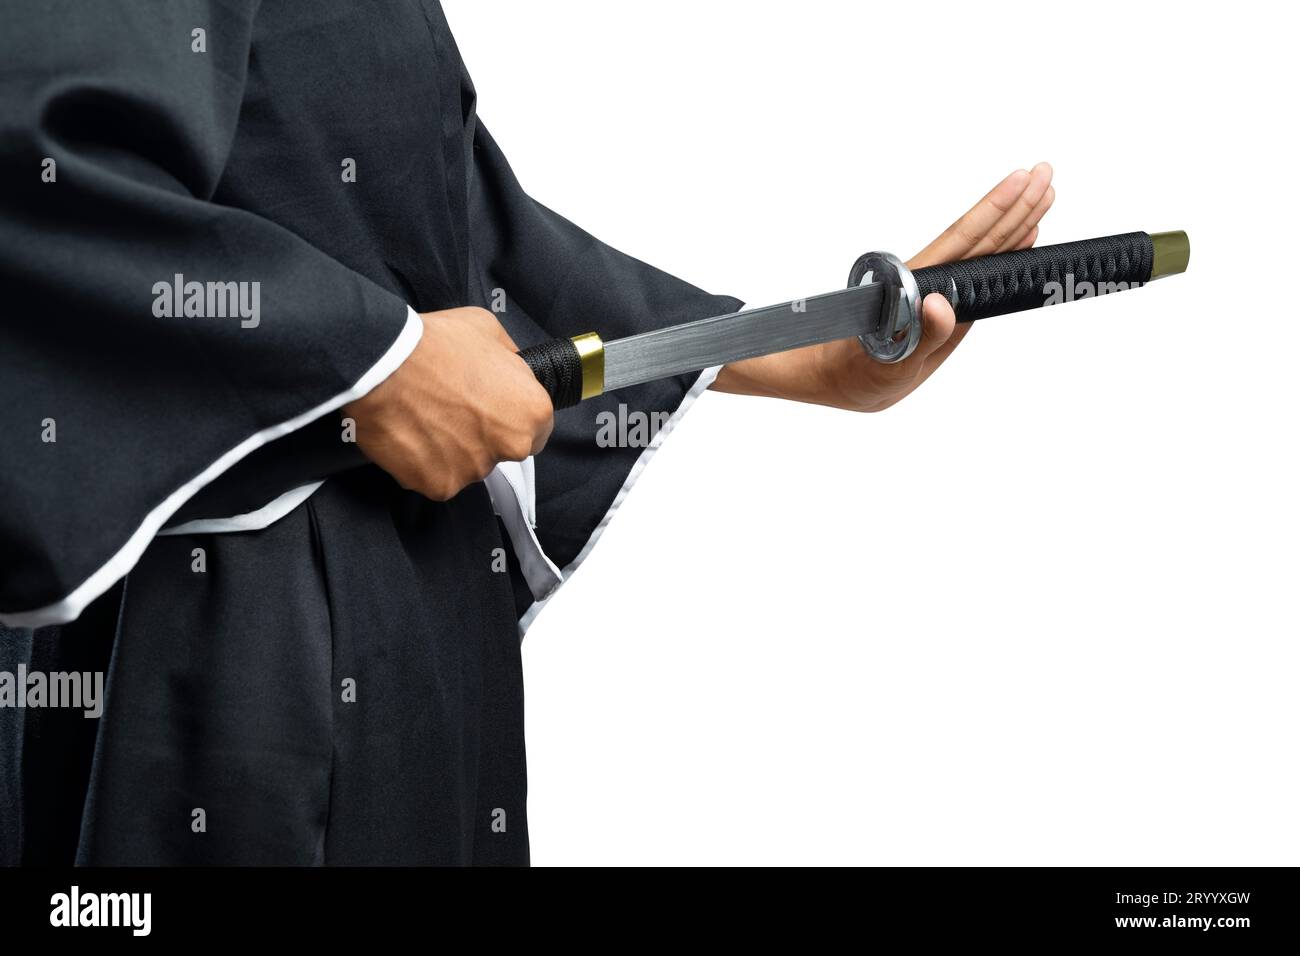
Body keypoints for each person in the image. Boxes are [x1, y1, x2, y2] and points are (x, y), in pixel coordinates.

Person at [0, 1, 1054, 864]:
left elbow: (430, 212)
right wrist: (375, 363)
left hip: (413, 611)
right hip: (238, 645)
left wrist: (784, 350)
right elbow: (38, 179)